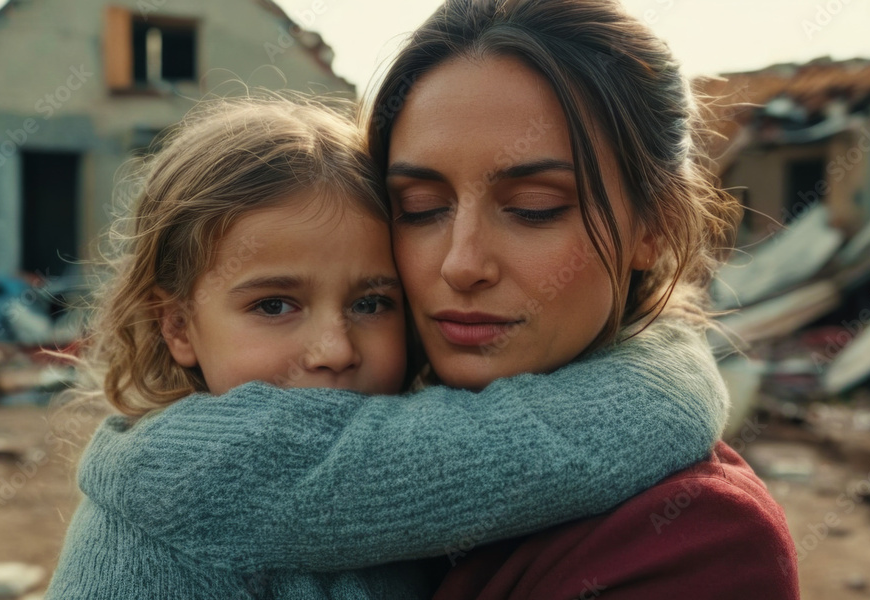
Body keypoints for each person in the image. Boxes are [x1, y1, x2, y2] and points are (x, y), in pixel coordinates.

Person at [46, 2, 797, 599]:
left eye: (533, 207)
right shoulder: (251, 454)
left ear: (653, 227)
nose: (461, 264)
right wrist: (671, 379)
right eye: (420, 207)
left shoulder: (700, 540)